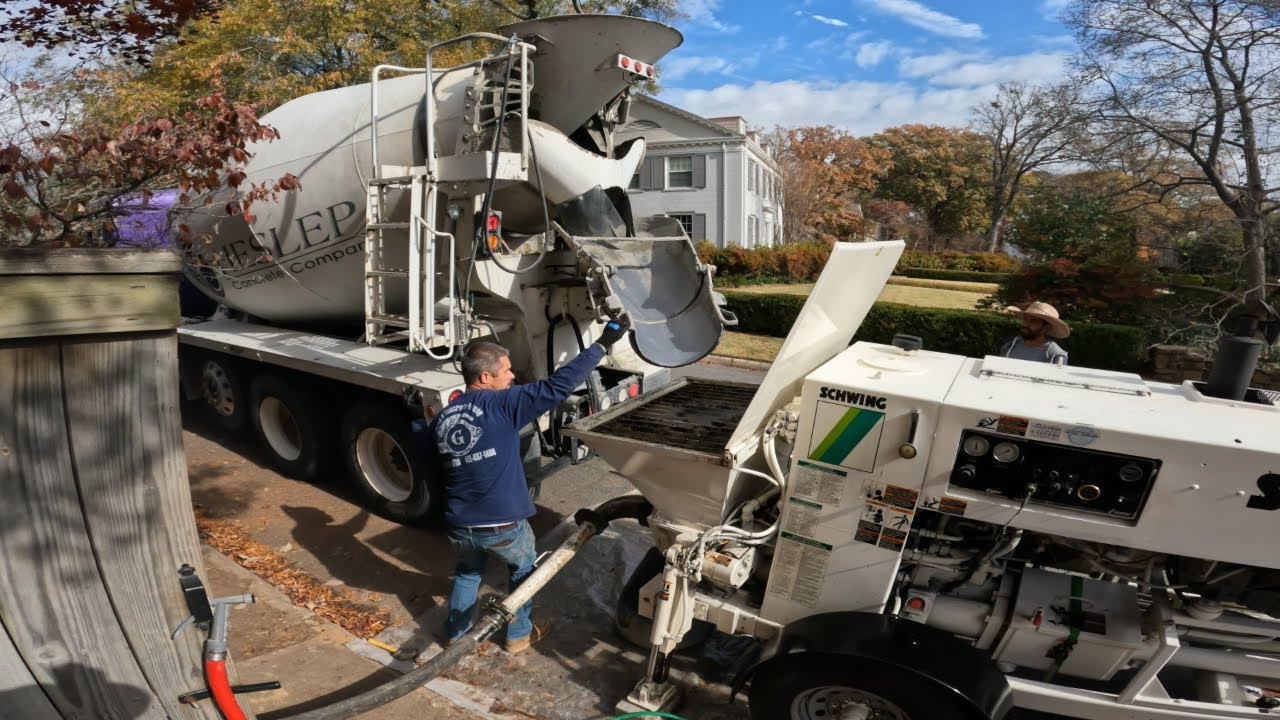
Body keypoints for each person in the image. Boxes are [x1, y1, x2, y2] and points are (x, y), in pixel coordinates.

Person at [432, 314, 632, 653]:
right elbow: (559, 385)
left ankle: (456, 634)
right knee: (523, 573)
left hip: (460, 524)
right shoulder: (504, 404)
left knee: (467, 574)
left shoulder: (443, 416)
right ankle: (517, 636)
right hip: (503, 525)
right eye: (506, 371)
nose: (512, 376)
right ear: (485, 376)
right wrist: (602, 345)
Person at [999, 301, 1070, 364]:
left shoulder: (1054, 355)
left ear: (1046, 328)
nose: (1025, 324)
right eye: (1025, 319)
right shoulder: (1010, 345)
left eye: (1033, 320)